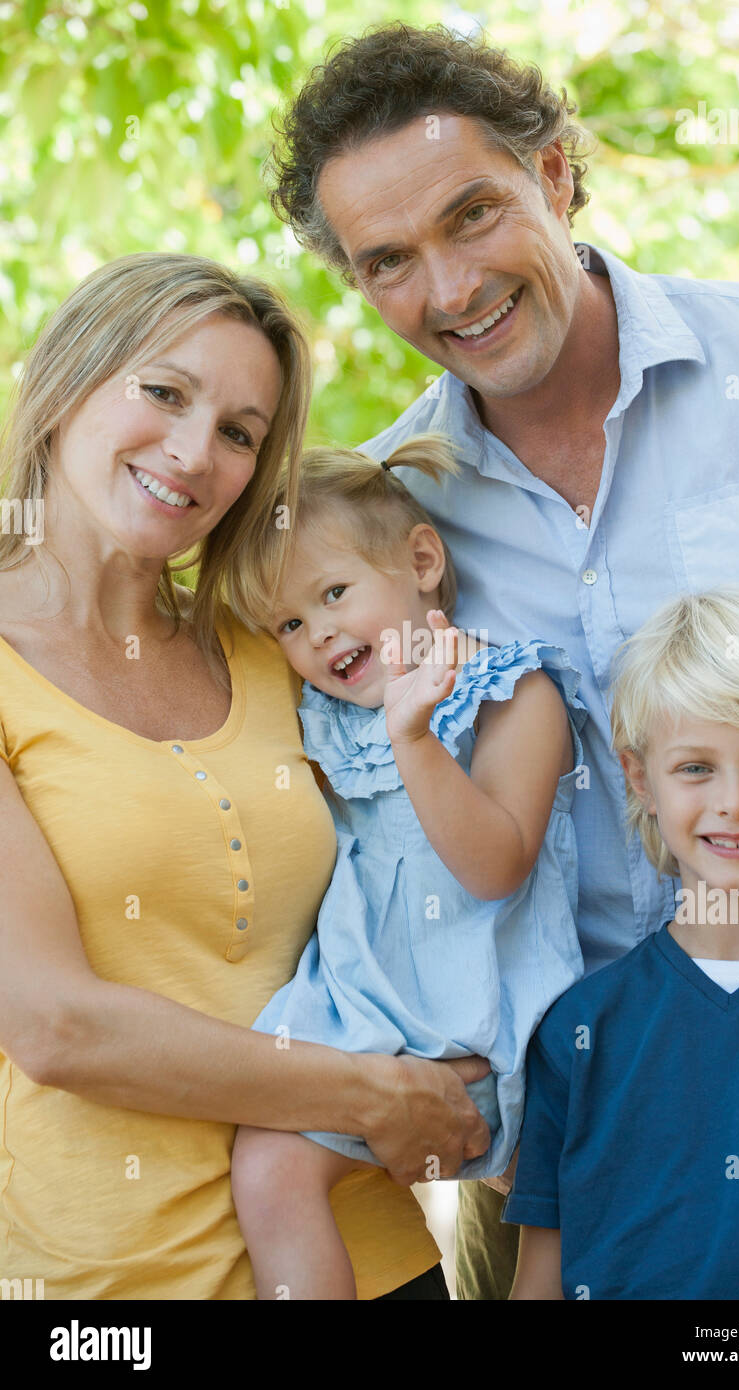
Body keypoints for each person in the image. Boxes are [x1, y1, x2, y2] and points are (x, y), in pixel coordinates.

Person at [265, 21, 739, 1297]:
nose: (448, 287)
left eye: (471, 214)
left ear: (555, 174)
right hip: (569, 1130)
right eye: (389, 261)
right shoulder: (389, 524)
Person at [0, 252, 490, 1301]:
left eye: (239, 432)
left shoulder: (278, 643)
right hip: (120, 1281)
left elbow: (446, 838)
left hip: (370, 1249)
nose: (192, 453)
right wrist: (376, 1093)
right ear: (64, 380)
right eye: (165, 393)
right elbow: (53, 1023)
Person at [227, 432, 585, 1299]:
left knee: (558, 1227)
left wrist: (414, 738)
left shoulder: (510, 693)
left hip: (492, 1028)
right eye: (289, 623)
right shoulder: (324, 715)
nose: (319, 634)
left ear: (421, 559)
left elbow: (495, 867)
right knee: (269, 1165)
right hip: (358, 1020)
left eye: (334, 594)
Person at [506, 585, 739, 1299]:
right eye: (696, 767)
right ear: (639, 777)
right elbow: (540, 1277)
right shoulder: (578, 1030)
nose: (734, 800)